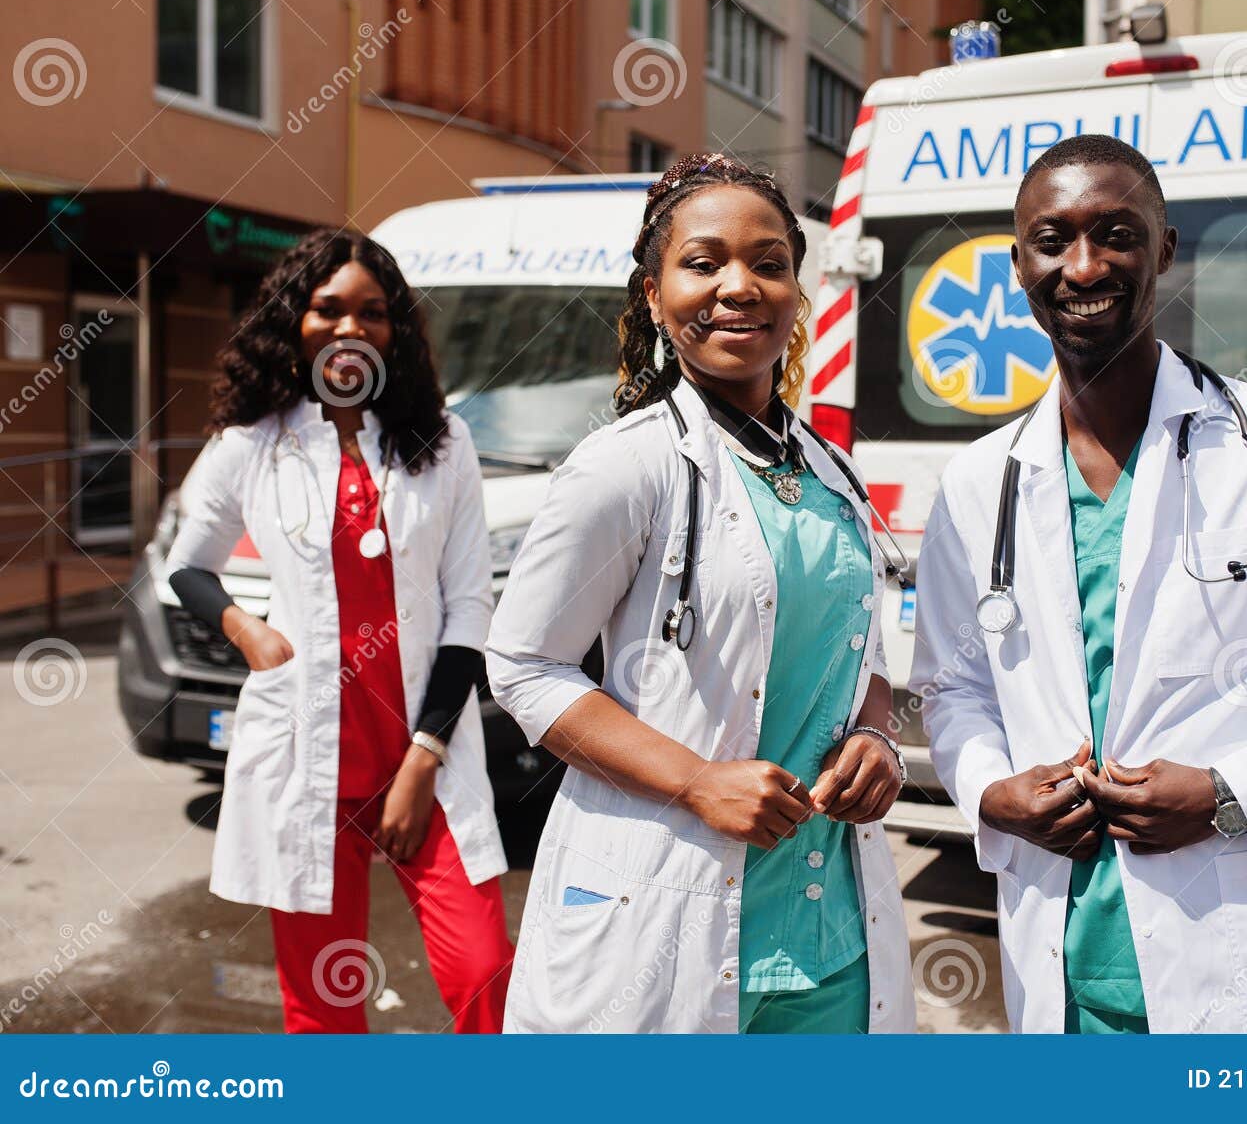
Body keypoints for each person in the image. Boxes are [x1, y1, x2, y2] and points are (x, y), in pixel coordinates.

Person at [910, 135, 1247, 1034]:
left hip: (1242, 960)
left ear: (1164, 249)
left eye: (1116, 235)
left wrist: (1231, 791)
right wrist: (988, 790)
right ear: (1018, 266)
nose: (1082, 265)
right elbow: (950, 687)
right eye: (1052, 241)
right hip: (1058, 962)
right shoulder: (981, 483)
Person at [487, 153, 915, 1034]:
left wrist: (876, 733)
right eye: (703, 261)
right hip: (660, 919)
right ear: (653, 294)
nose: (738, 286)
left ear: (799, 290)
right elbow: (524, 668)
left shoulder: (832, 471)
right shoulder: (626, 466)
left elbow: (859, 650)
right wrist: (694, 782)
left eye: (768, 263)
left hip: (830, 936)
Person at [166, 228, 513, 1033]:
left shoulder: (442, 444)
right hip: (306, 762)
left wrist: (423, 757)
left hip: (424, 759)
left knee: (484, 971)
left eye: (373, 312)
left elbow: (469, 606)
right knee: (322, 1007)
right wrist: (247, 632)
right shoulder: (251, 443)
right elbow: (188, 564)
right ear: (295, 319)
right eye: (328, 309)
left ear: (395, 331)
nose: (350, 328)